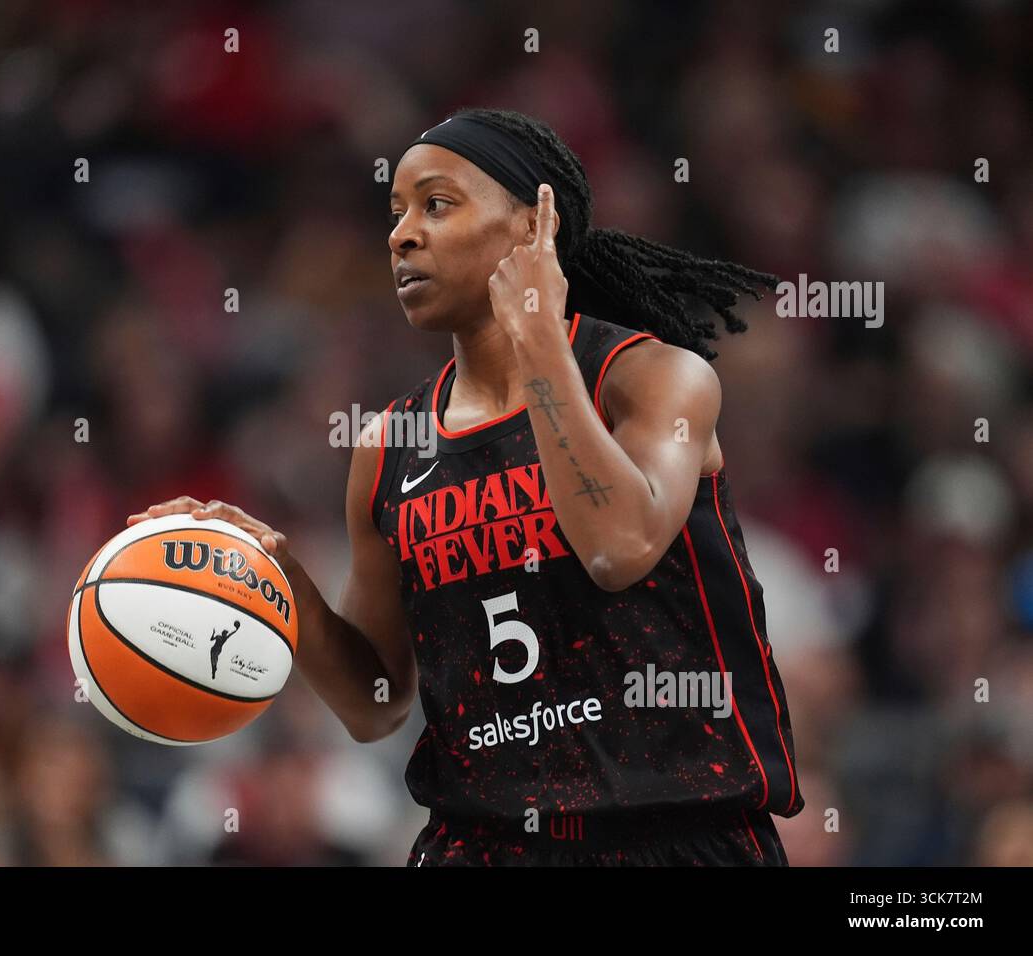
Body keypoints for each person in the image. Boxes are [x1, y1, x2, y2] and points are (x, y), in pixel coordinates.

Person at [129, 108, 803, 866]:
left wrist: (539, 336)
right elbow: (375, 703)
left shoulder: (651, 380)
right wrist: (279, 577)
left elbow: (619, 546)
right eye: (396, 213)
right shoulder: (390, 444)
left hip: (672, 834)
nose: (401, 235)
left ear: (531, 227)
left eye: (436, 205)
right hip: (482, 841)